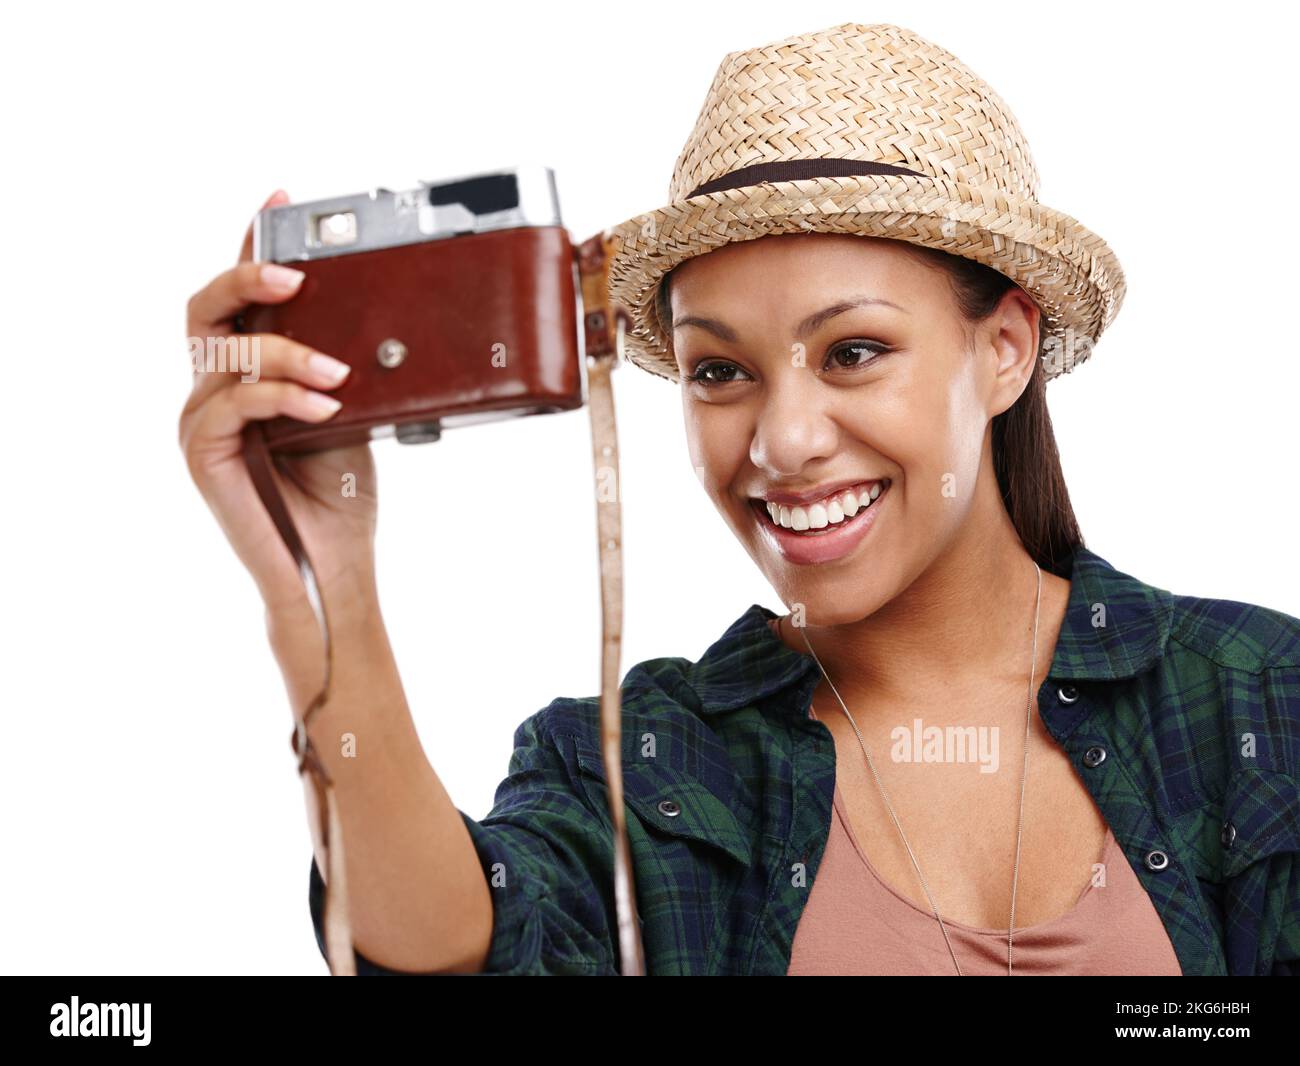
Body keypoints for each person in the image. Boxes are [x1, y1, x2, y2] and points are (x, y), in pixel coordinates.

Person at [179, 22, 1300, 975]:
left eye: (853, 350)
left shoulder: (1259, 705)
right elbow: (449, 952)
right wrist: (322, 595)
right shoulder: (645, 764)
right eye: (719, 370)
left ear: (1004, 348)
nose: (781, 439)